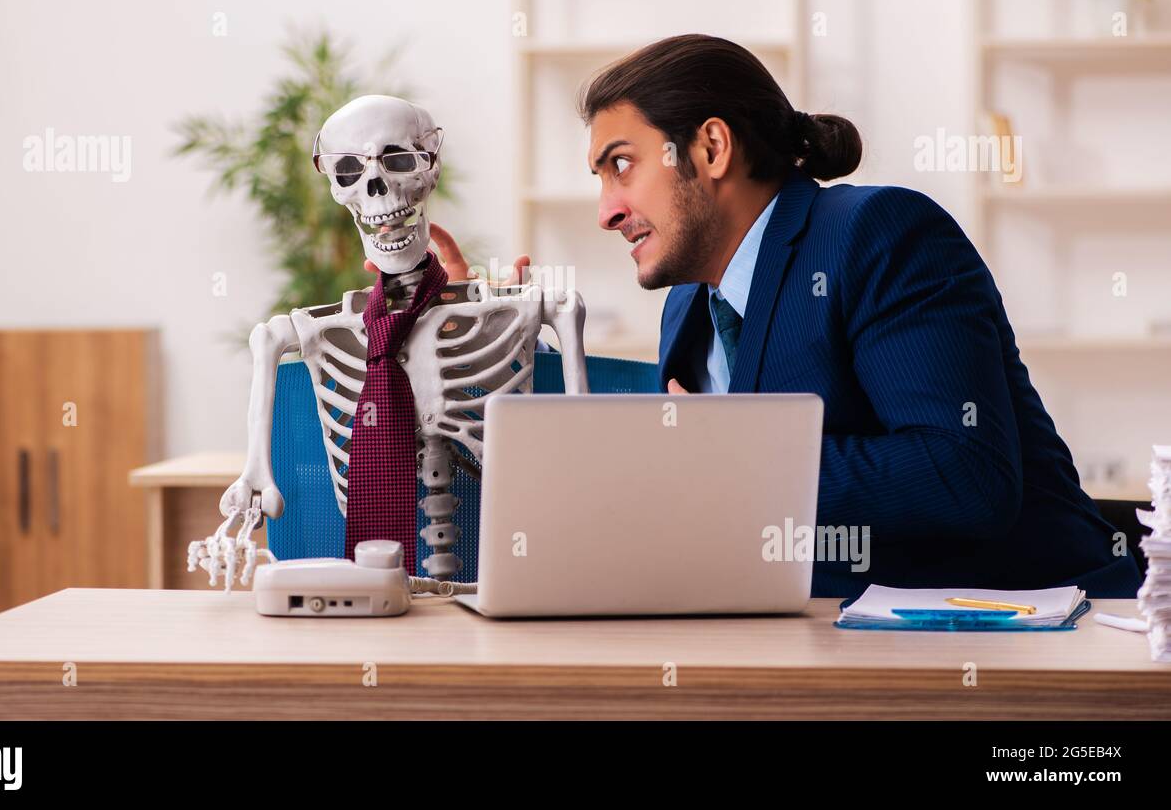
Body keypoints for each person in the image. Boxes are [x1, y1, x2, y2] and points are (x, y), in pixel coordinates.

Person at [395, 33, 1141, 599]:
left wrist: (724, 457)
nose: (607, 210)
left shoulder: (881, 234)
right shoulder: (689, 305)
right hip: (813, 644)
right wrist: (485, 347)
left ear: (711, 147)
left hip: (1034, 638)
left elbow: (965, 475)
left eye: (621, 164)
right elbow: (684, 478)